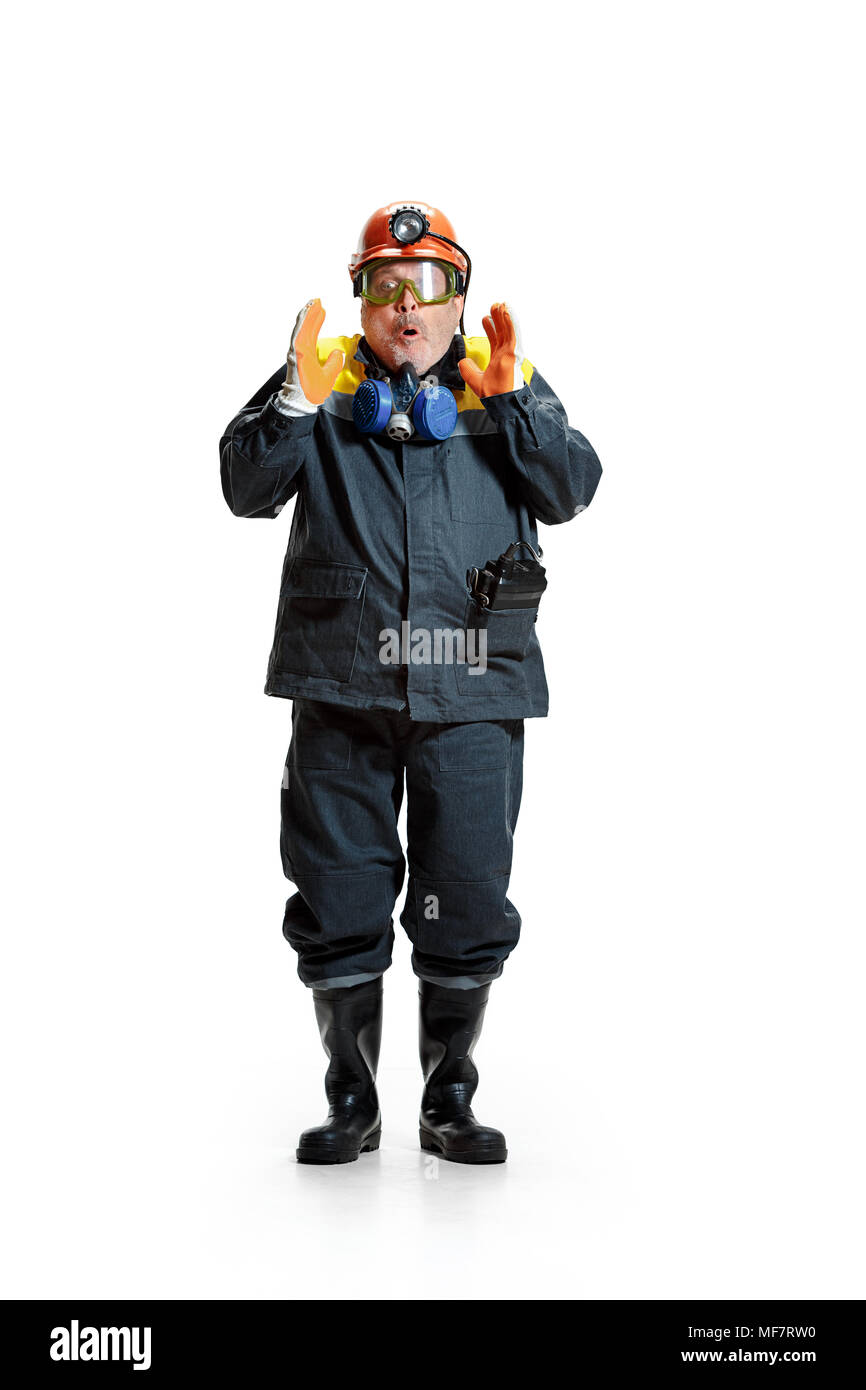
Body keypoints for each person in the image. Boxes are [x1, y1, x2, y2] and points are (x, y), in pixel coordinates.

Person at [220, 202, 602, 1166]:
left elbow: (573, 490)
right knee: (337, 894)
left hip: (472, 688)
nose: (405, 306)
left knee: (466, 897)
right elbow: (241, 487)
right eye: (383, 286)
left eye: (426, 285)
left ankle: (449, 1095)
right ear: (362, 298)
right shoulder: (325, 381)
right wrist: (297, 403)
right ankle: (352, 1096)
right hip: (341, 684)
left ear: (457, 297)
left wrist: (516, 403)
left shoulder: (499, 383)